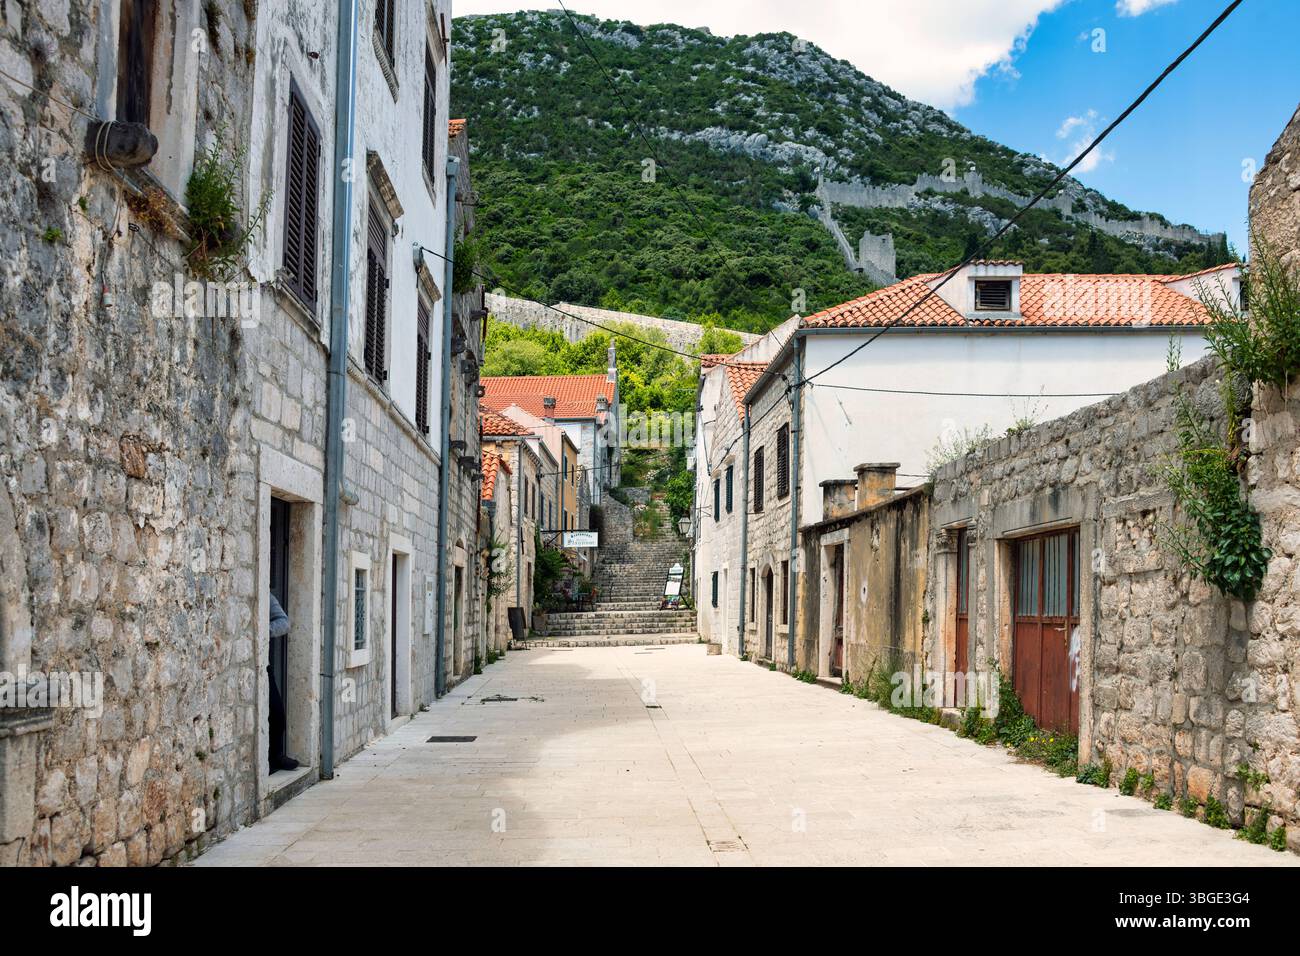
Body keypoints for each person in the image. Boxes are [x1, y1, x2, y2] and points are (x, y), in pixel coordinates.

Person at [268, 593, 298, 772]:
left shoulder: (267, 596)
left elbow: (284, 622)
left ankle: (276, 756)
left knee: (277, 714)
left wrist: (266, 630)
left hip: (265, 666)